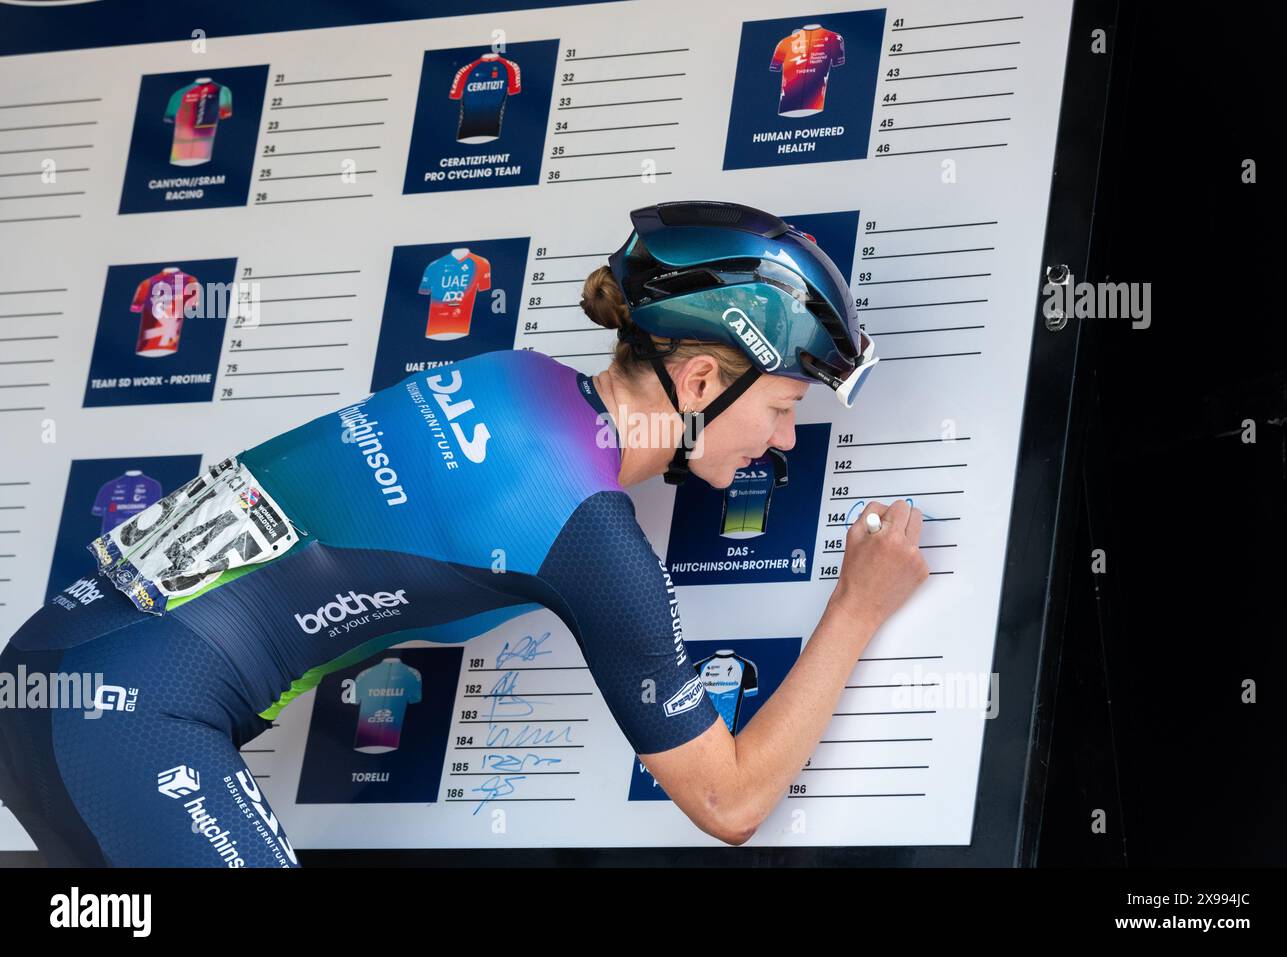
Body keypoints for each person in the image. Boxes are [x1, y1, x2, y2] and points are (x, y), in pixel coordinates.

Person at [0, 200, 929, 866]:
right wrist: (856, 606)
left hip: (53, 663)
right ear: (694, 381)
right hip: (133, 717)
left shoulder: (510, 375)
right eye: (779, 404)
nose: (781, 439)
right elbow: (729, 802)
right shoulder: (589, 533)